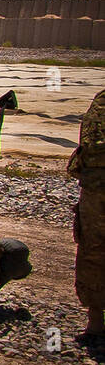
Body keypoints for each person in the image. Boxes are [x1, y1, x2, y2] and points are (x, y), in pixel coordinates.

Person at [69, 88, 105, 337]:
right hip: (94, 186)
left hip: (95, 187)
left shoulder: (101, 101)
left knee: (93, 248)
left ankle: (95, 319)